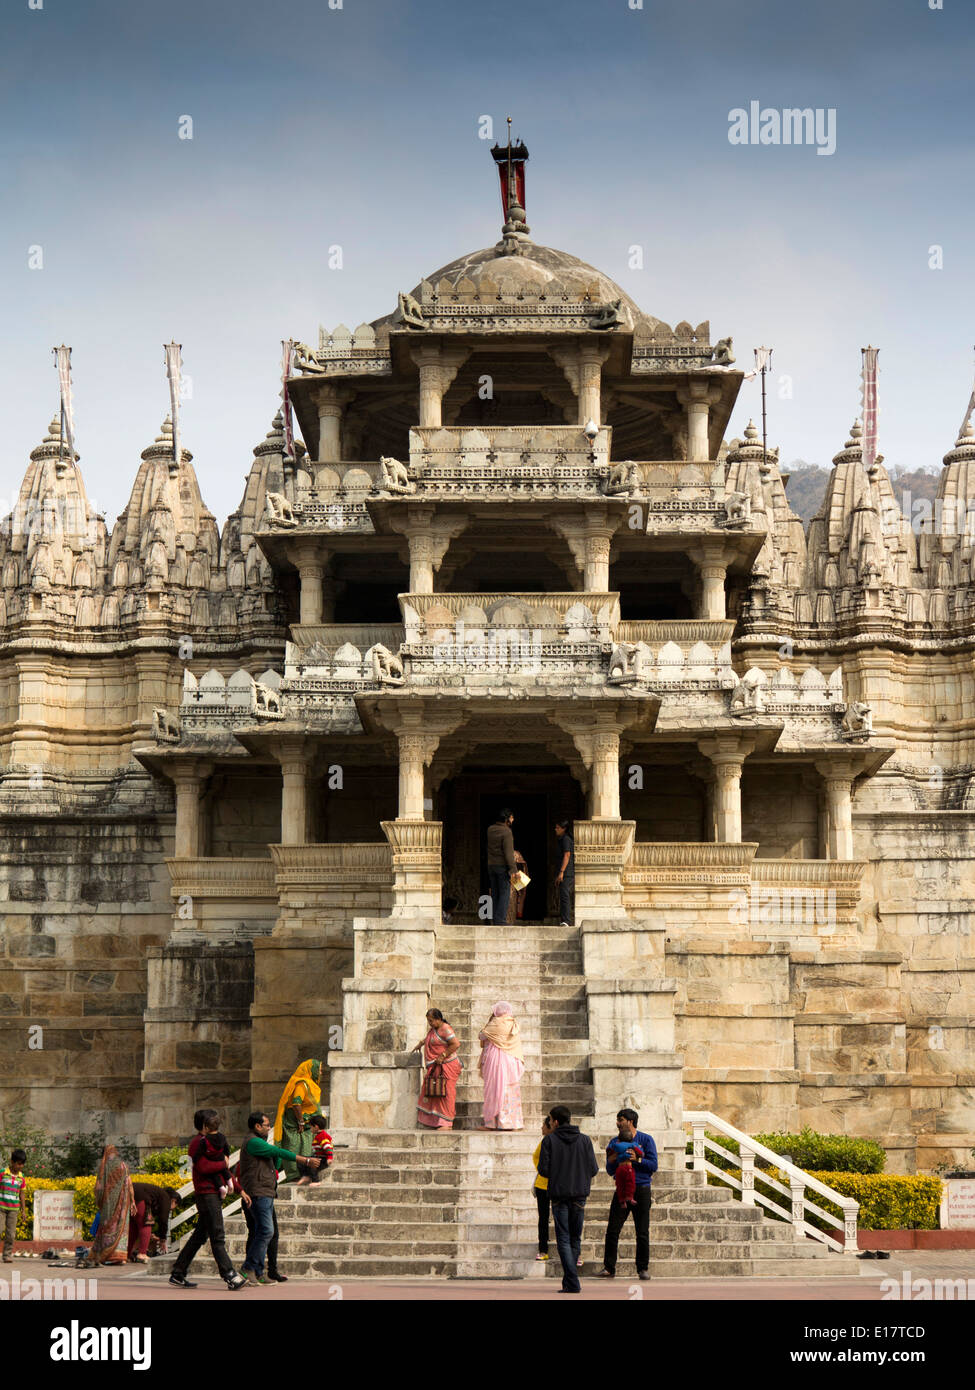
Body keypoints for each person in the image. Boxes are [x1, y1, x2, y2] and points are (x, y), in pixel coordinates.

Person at [169, 1109, 249, 1290]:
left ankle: (178, 1272)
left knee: (200, 1236)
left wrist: (239, 1189)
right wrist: (224, 1162)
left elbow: (223, 1170)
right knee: (217, 1235)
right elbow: (204, 1167)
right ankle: (229, 1274)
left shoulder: (214, 1141)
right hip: (206, 1194)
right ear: (204, 1126)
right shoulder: (197, 1143)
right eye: (213, 1123)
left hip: (213, 1194)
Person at [238, 1110, 318, 1286]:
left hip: (266, 1192)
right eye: (267, 1125)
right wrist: (305, 1160)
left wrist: (276, 1153)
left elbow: (277, 1160)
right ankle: (248, 1268)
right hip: (258, 1193)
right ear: (257, 1126)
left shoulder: (260, 1142)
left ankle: (258, 1272)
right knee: (266, 1231)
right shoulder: (253, 1142)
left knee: (266, 1232)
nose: (269, 1128)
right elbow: (278, 1152)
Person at [537, 1104, 599, 1293]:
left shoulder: (549, 1141)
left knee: (563, 1238)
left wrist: (560, 1171)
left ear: (555, 1122)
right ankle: (570, 1280)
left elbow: (543, 1170)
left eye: (550, 1120)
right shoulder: (585, 1140)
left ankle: (572, 1281)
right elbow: (593, 1169)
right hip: (579, 1194)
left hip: (559, 1194)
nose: (549, 1123)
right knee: (574, 1238)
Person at [600, 1108, 657, 1281]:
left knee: (642, 1231)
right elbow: (610, 1170)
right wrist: (612, 1160)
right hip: (622, 1189)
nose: (618, 1123)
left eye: (621, 1120)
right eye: (618, 1120)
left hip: (642, 1189)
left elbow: (653, 1165)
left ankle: (642, 1268)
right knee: (612, 1230)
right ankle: (609, 1267)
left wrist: (636, 1159)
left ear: (630, 1122)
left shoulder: (646, 1140)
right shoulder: (614, 1142)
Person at [273, 1059, 323, 1183]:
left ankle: (305, 1174)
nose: (321, 1073)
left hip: (307, 1127)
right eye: (319, 1070)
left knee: (306, 1151)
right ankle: (295, 1176)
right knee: (293, 1150)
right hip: (295, 1127)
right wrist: (301, 1121)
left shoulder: (311, 1085)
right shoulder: (302, 1084)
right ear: (311, 1070)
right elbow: (296, 1103)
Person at [477, 1001, 525, 1130]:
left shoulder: (495, 1023)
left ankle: (491, 1123)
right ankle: (511, 1123)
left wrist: (488, 1023)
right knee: (509, 1091)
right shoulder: (513, 1023)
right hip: (511, 1061)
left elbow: (481, 1036)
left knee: (493, 1090)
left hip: (496, 1062)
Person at [412, 1007, 462, 1129]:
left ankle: (447, 1123)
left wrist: (443, 1055)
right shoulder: (434, 1029)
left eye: (431, 1020)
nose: (430, 1023)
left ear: (438, 1019)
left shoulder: (445, 1028)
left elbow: (455, 1044)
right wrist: (421, 1044)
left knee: (447, 1093)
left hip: (448, 1065)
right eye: (428, 1021)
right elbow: (431, 1038)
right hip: (436, 1066)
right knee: (435, 1092)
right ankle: (436, 1121)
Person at [89, 1145, 137, 1267]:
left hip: (108, 1205)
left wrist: (99, 1201)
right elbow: (129, 1184)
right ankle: (119, 1257)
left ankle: (106, 1255)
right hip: (123, 1205)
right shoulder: (123, 1165)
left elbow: (99, 1188)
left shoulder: (104, 1167)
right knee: (121, 1228)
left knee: (107, 1227)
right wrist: (132, 1201)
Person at [127, 1183, 178, 1263]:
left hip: (129, 1193)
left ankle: (126, 1254)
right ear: (174, 1201)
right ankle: (142, 1254)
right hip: (140, 1197)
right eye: (175, 1206)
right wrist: (163, 1239)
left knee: (133, 1229)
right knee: (146, 1224)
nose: (172, 1209)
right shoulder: (166, 1198)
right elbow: (163, 1220)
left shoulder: (157, 1194)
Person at [487, 807, 517, 925]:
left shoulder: (490, 829)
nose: (513, 820)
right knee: (504, 893)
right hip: (502, 866)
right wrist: (514, 869)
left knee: (495, 893)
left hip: (491, 865)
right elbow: (508, 853)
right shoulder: (506, 832)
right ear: (507, 819)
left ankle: (495, 919)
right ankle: (500, 920)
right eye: (512, 817)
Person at [532, 1117, 553, 1260]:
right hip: (546, 1184)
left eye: (543, 1125)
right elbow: (535, 1157)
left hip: (545, 1184)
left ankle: (543, 1250)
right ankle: (543, 1249)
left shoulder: (547, 1141)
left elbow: (535, 1157)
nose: (542, 1128)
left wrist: (542, 1170)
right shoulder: (545, 1141)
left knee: (544, 1218)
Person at [0, 1149, 27, 1265]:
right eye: (18, 1163)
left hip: (14, 1210)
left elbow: (22, 1194)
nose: (21, 1166)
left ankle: (7, 1255)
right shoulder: (2, 1173)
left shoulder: (21, 1177)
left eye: (22, 1164)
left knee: (11, 1234)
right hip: (1, 1207)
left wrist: (23, 1211)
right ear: (12, 1162)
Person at [554, 818, 574, 928]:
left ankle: (566, 920)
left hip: (567, 872)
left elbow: (567, 855)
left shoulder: (566, 839)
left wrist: (561, 872)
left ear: (564, 829)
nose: (555, 829)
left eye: (558, 828)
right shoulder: (561, 839)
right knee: (562, 896)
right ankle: (563, 920)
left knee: (565, 896)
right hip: (563, 872)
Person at [308, 1117, 334, 1181]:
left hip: (323, 1159)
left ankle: (315, 1181)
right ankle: (306, 1177)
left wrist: (329, 1158)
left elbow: (327, 1147)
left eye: (311, 1127)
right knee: (306, 1161)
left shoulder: (322, 1136)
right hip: (319, 1157)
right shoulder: (319, 1135)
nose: (310, 1129)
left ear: (316, 1127)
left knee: (313, 1165)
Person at [507, 849, 528, 923]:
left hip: (515, 879)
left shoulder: (517, 854)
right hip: (508, 878)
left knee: (519, 894)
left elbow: (522, 894)